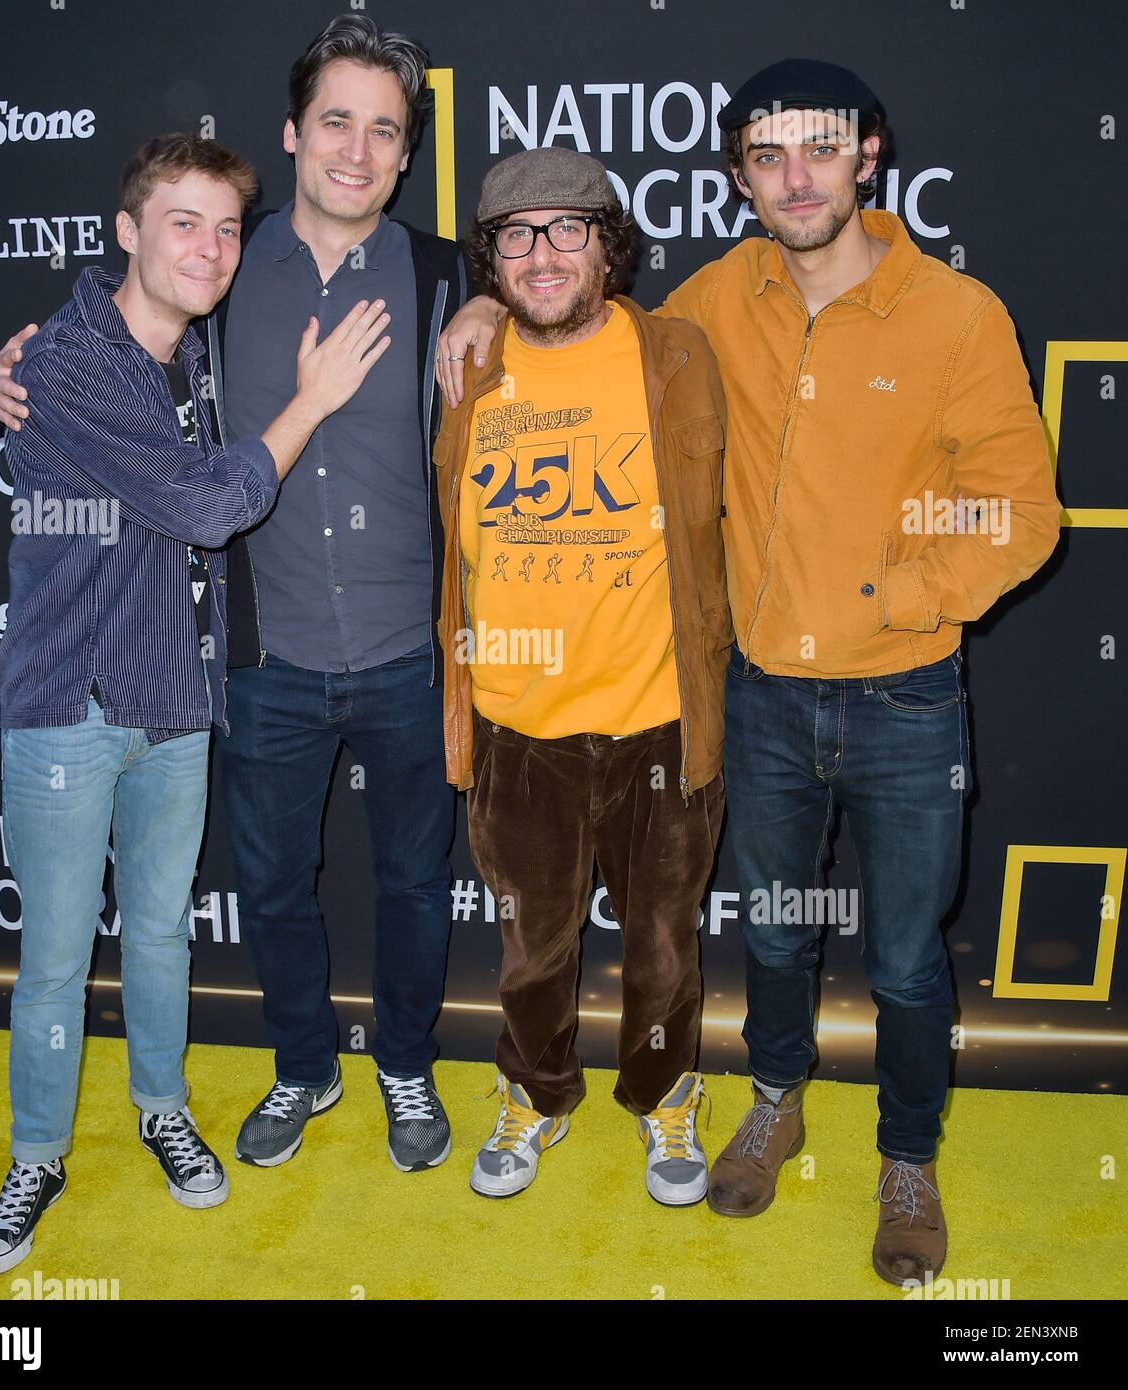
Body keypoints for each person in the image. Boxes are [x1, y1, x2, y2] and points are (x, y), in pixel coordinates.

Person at [436, 60, 1061, 1278]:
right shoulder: (712, 305)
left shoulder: (957, 314)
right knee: (774, 936)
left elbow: (1020, 514)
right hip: (759, 696)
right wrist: (479, 315)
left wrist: (900, 594)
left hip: (904, 696)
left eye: (818, 149)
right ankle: (772, 1104)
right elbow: (572, 314)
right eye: (766, 156)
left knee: (901, 956)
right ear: (739, 178)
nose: (795, 176)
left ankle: (907, 1159)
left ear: (866, 156)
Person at [0, 15, 467, 1176]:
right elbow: (105, 340)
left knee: (413, 879)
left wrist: (492, 305)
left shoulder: (451, 273)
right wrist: (3, 376)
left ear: (406, 157)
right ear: (294, 133)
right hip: (261, 658)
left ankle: (404, 1060)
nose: (357, 149)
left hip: (413, 651)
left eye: (384, 131)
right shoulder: (222, 266)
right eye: (336, 121)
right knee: (275, 888)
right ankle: (304, 1067)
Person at [0, 132, 392, 1274]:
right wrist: (310, 401)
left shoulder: (195, 353)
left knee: (158, 933)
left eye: (220, 228)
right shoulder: (68, 361)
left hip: (175, 699)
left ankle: (163, 1109)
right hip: (69, 702)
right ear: (127, 232)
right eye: (180, 223)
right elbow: (207, 507)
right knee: (57, 954)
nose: (206, 249)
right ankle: (35, 1158)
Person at [435, 147, 731, 1203]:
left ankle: (661, 1093)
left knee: (663, 945)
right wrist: (471, 315)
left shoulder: (681, 355)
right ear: (489, 259)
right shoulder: (464, 369)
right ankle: (533, 1090)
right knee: (529, 948)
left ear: (609, 246)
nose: (542, 252)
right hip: (518, 728)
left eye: (569, 229)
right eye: (514, 235)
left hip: (659, 720)